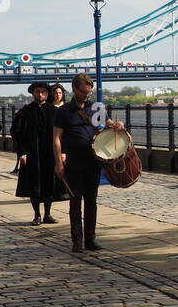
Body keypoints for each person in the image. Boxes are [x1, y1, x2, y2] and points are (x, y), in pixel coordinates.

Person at [52, 74, 124, 253]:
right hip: (74, 161)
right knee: (75, 202)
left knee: (91, 201)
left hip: (93, 160)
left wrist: (117, 125)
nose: (86, 95)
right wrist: (58, 163)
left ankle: (91, 239)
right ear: (74, 89)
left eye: (89, 92)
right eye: (83, 92)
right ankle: (77, 240)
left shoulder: (96, 107)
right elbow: (56, 138)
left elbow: (107, 124)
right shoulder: (64, 111)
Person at [11, 82, 60, 224]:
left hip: (49, 152)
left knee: (49, 183)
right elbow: (17, 133)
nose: (40, 94)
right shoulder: (25, 112)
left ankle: (48, 214)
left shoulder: (54, 111)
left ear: (47, 94)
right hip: (32, 153)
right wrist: (22, 153)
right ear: (33, 93)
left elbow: (62, 134)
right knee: (34, 184)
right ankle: (37, 214)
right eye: (37, 92)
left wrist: (62, 152)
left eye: (43, 92)